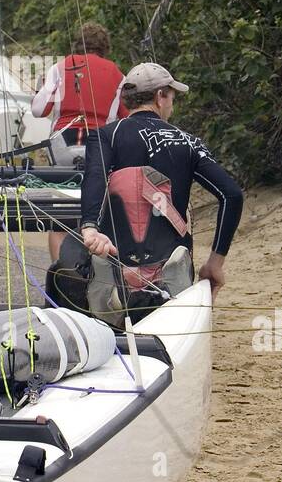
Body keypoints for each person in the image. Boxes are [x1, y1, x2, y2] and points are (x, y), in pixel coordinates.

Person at [49, 62, 243, 321]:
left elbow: (95, 176)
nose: (172, 105)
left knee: (61, 267)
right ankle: (166, 280)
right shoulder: (188, 142)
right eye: (172, 97)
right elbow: (232, 195)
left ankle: (116, 290)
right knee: (172, 249)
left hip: (115, 254)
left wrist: (90, 228)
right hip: (171, 256)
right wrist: (214, 264)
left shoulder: (106, 135)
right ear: (160, 96)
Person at [31, 22, 128, 260]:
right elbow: (125, 117)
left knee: (61, 216)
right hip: (100, 146)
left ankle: (60, 270)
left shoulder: (61, 67)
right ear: (106, 48)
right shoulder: (118, 74)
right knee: (98, 210)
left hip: (63, 143)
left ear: (77, 43)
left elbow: (38, 109)